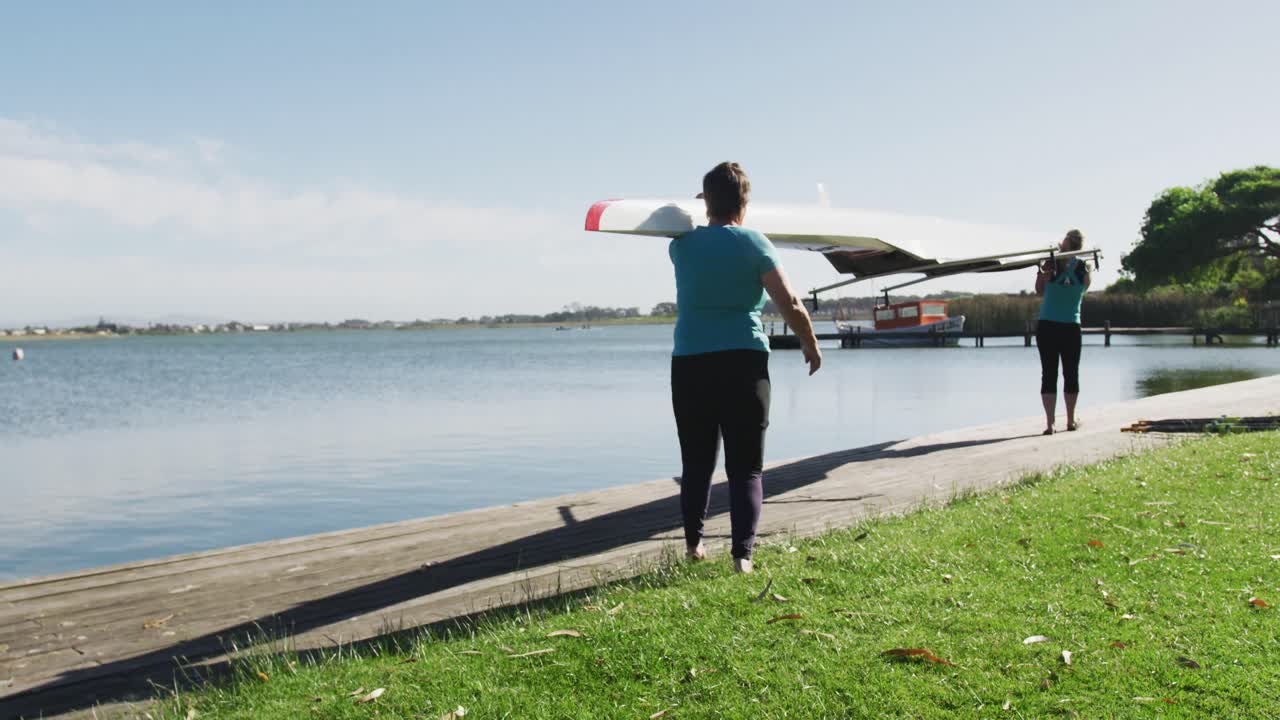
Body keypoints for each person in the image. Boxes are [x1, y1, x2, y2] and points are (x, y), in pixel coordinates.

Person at [669, 162, 821, 574]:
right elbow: (788, 301)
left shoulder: (680, 246)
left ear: (707, 202)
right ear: (745, 202)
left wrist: (706, 208)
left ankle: (694, 547)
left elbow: (696, 226)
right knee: (746, 466)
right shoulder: (756, 243)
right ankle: (743, 557)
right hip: (744, 362)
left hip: (690, 363)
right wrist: (809, 342)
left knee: (696, 461)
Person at [1035, 229, 1091, 434]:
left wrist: (1044, 273)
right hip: (1071, 326)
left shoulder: (1050, 264)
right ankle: (1070, 420)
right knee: (1071, 373)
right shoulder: (1084, 268)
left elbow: (1040, 290)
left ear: (1065, 242)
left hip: (1048, 324)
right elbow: (1084, 288)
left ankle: (1050, 424)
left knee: (1048, 373)